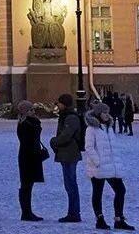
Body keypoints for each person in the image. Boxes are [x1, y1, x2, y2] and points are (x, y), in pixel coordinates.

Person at [85, 102, 135, 230]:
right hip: (98, 167)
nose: (107, 115)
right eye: (104, 112)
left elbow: (112, 148)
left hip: (111, 166)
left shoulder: (109, 128)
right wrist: (98, 162)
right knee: (98, 192)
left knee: (120, 190)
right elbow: (89, 148)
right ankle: (99, 219)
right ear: (98, 114)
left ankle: (119, 219)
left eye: (108, 112)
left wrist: (115, 161)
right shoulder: (91, 129)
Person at [49, 93, 82, 223]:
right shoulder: (66, 116)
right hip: (66, 152)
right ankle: (72, 212)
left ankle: (74, 213)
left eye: (59, 103)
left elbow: (66, 135)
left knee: (71, 184)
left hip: (69, 153)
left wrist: (54, 141)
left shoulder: (70, 117)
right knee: (69, 184)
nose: (58, 105)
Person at [16, 100, 45, 222]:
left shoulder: (32, 122)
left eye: (33, 109)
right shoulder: (24, 125)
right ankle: (26, 212)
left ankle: (28, 212)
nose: (33, 112)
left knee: (29, 184)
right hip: (27, 157)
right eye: (31, 110)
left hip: (32, 156)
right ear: (25, 111)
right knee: (26, 185)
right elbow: (29, 141)